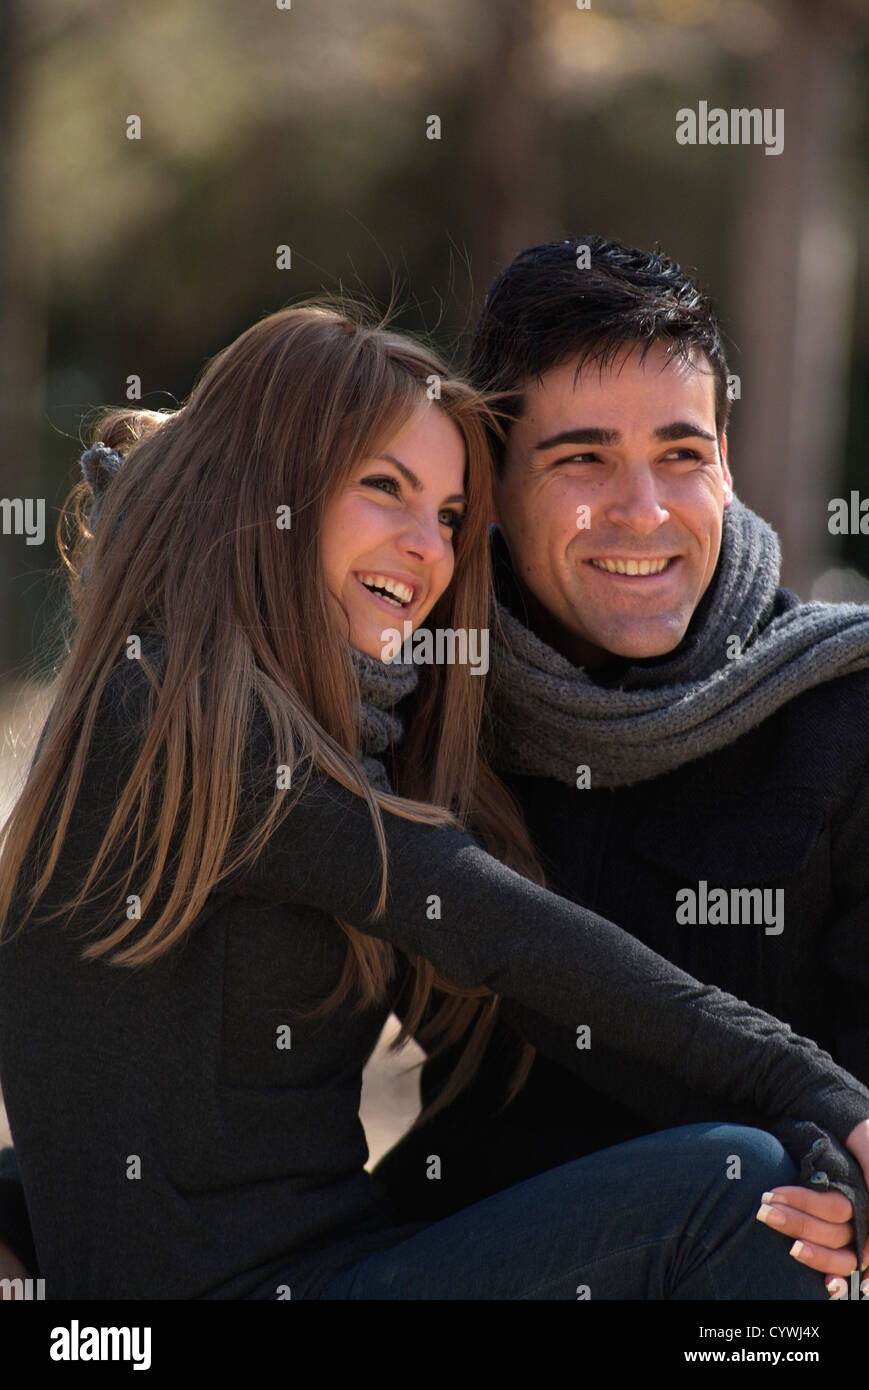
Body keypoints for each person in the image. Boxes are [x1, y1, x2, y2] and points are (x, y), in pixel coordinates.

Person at [0, 303, 867, 1301]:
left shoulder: (220, 700)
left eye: (451, 516)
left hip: (339, 1255)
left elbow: (137, 1097)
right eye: (384, 489)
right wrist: (809, 1090)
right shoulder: (193, 718)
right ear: (267, 491)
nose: (427, 547)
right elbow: (495, 924)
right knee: (739, 1193)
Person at [365, 236, 869, 1296]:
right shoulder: (413, 705)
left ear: (724, 461)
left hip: (773, 1275)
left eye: (681, 454)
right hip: (473, 1257)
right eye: (581, 458)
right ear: (490, 481)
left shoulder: (843, 708)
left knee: (767, 1192)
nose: (641, 511)